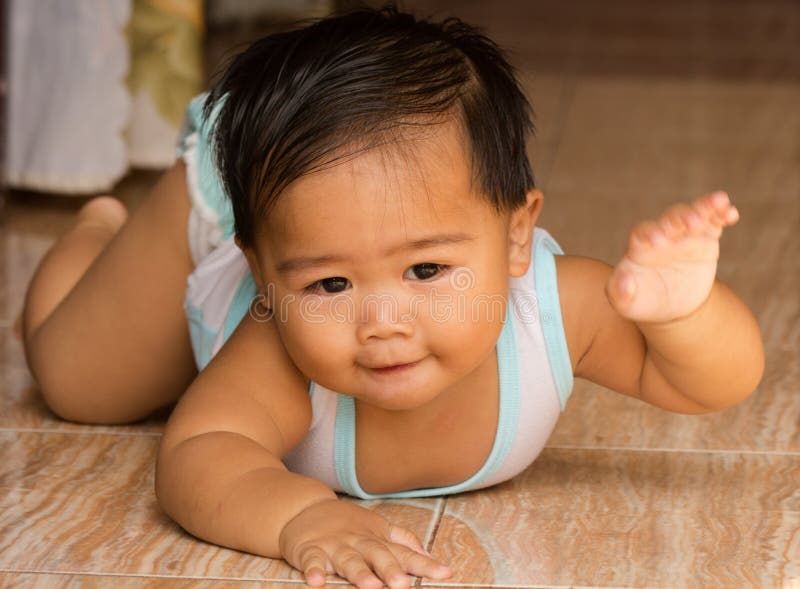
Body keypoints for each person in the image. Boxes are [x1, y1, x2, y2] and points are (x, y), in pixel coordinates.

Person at [17, 6, 765, 589]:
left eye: (426, 271)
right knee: (79, 378)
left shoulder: (551, 305)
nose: (381, 323)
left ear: (515, 237)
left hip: (304, 208)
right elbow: (198, 452)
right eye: (331, 285)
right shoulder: (278, 338)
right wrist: (299, 516)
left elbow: (714, 382)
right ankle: (97, 230)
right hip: (214, 208)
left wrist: (684, 315)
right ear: (267, 279)